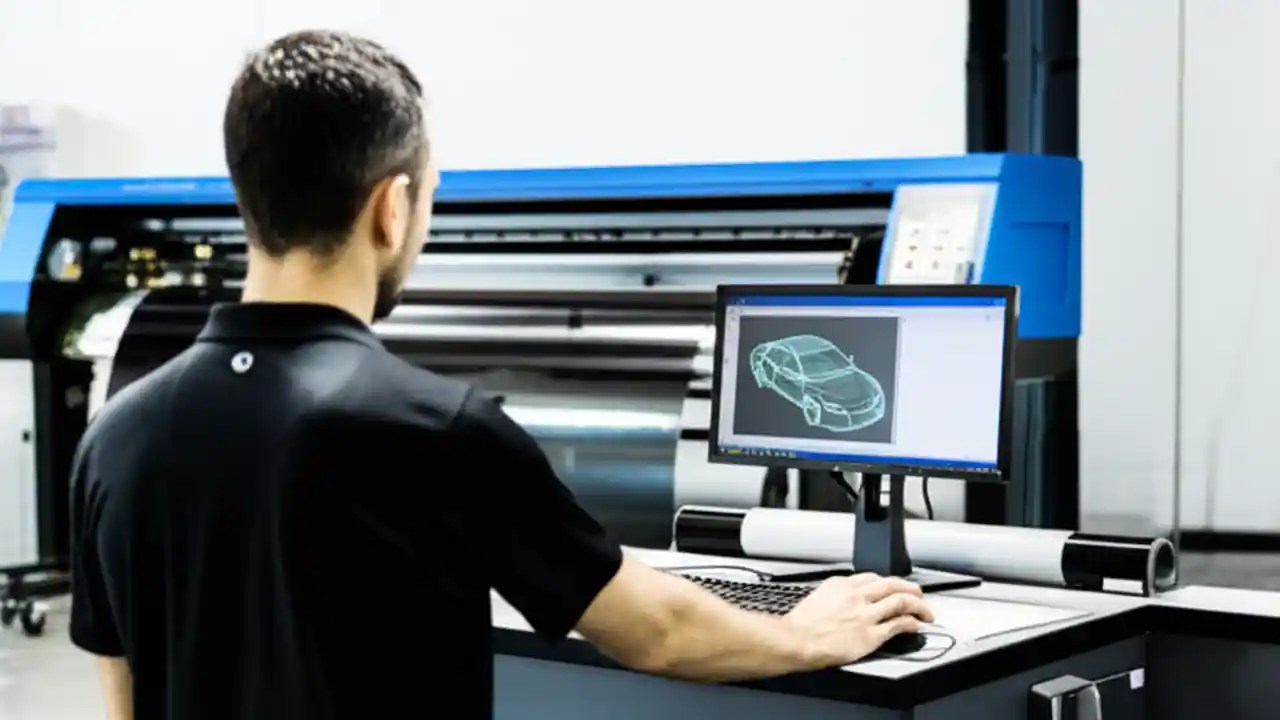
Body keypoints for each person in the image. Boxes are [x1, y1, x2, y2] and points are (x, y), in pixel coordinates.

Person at [68, 29, 933, 720]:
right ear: (392, 205)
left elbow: (127, 701)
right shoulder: (432, 431)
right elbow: (658, 633)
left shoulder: (116, 436)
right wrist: (806, 630)